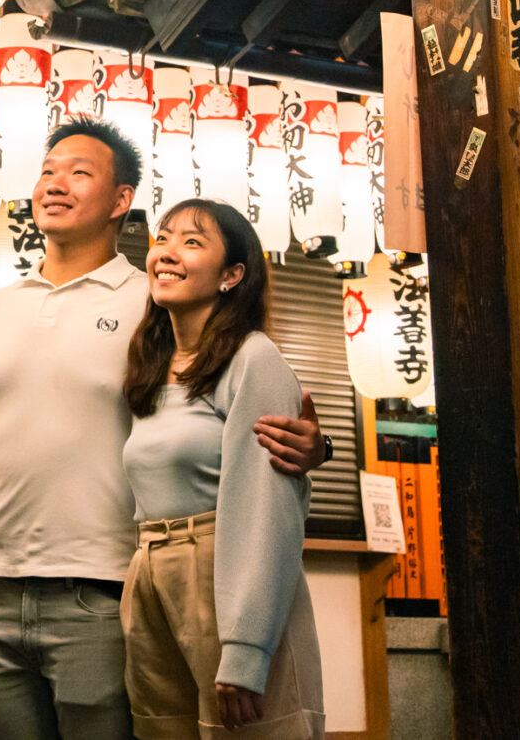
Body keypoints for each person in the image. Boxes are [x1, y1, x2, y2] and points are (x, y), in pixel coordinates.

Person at [0, 120, 328, 739]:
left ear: (120, 201)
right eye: (48, 169)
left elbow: (232, 400)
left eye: (80, 172)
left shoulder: (157, 302)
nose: (56, 184)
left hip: (107, 589)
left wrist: (316, 447)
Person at [121, 199, 324, 739]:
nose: (166, 252)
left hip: (223, 572)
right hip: (150, 570)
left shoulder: (254, 359)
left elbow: (266, 508)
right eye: (163, 238)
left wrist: (245, 649)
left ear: (232, 275)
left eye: (192, 242)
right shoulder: (150, 364)